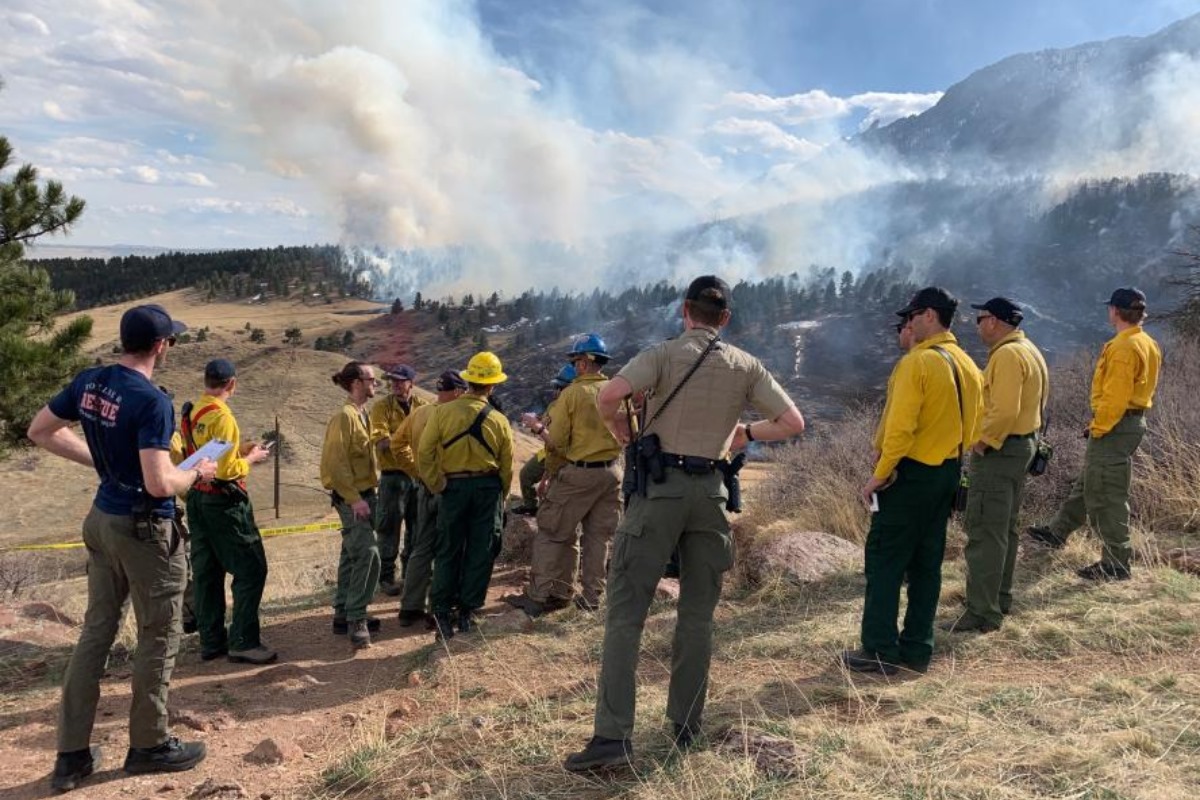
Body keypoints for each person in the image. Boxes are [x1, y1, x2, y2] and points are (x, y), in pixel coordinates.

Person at [564, 276, 805, 771]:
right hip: (712, 495)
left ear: (685, 311)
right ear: (726, 319)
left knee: (626, 614)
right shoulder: (746, 365)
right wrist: (744, 434)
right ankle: (686, 727)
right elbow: (793, 423)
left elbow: (608, 397)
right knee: (697, 617)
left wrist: (623, 435)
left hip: (659, 491)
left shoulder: (662, 354)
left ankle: (612, 741)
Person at [27, 304, 217, 791]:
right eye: (169, 341)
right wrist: (196, 473)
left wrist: (105, 463)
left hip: (102, 518)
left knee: (96, 632)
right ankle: (149, 745)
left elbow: (40, 430)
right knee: (158, 633)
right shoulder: (152, 400)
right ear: (160, 346)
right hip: (144, 530)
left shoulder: (92, 381)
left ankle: (70, 755)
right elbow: (159, 483)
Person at [842, 287, 983, 676]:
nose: (908, 322)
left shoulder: (917, 364)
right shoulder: (969, 365)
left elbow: (900, 431)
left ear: (930, 316)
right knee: (927, 564)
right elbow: (974, 429)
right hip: (949, 473)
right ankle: (918, 649)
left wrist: (878, 476)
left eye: (913, 315)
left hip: (910, 475)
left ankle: (880, 649)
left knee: (885, 561)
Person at [1027, 287, 1161, 580]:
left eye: (1110, 308)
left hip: (1115, 425)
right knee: (1090, 482)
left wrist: (1099, 426)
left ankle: (1116, 562)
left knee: (1107, 494)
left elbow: (1115, 396)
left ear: (1115, 311)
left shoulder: (1124, 347)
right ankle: (1057, 532)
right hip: (1127, 423)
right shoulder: (1146, 342)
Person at [942, 298, 1047, 633]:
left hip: (1000, 452)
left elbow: (1003, 411)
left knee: (986, 529)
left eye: (981, 317)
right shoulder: (1028, 349)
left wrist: (981, 442)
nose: (977, 324)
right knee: (1005, 528)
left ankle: (982, 611)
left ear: (996, 321)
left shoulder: (1006, 354)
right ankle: (998, 598)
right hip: (1023, 446)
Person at [506, 335, 622, 616]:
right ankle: (592, 599)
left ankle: (541, 596)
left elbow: (556, 441)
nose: (574, 365)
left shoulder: (571, 395)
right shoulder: (617, 390)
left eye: (575, 360)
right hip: (612, 473)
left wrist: (536, 428)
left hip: (579, 474)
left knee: (552, 532)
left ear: (582, 363)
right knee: (598, 538)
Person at [181, 359, 275, 663]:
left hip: (197, 496)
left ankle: (212, 641)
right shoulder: (223, 418)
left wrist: (239, 448)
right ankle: (245, 641)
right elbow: (225, 470)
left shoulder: (196, 411)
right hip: (222, 500)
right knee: (251, 568)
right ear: (231, 384)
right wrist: (252, 458)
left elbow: (204, 452)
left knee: (208, 571)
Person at [417, 352, 514, 639]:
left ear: (468, 381)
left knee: (448, 550)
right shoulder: (499, 420)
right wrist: (502, 496)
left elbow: (425, 453)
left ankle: (442, 612)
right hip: (487, 490)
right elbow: (506, 467)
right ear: (493, 386)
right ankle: (468, 611)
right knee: (480, 551)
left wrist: (438, 485)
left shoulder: (442, 413)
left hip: (453, 489)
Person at [391, 370, 467, 626]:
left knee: (421, 548)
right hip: (450, 488)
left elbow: (396, 444)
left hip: (425, 487)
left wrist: (416, 472)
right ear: (457, 391)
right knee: (448, 549)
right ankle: (439, 608)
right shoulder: (458, 415)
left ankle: (410, 607)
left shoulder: (420, 413)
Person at [321, 362, 382, 649]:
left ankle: (343, 613)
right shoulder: (344, 417)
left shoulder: (362, 414)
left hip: (365, 493)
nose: (376, 384)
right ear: (357, 382)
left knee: (351, 554)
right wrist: (355, 499)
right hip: (352, 497)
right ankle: (357, 618)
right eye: (372, 379)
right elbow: (336, 463)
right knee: (368, 553)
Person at [369, 364, 426, 596]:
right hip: (393, 478)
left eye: (400, 381)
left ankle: (411, 575)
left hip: (418, 477)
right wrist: (409, 441)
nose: (395, 385)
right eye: (392, 381)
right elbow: (381, 442)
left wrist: (397, 441)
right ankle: (386, 578)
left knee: (417, 527)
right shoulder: (381, 407)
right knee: (388, 529)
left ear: (411, 383)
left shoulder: (424, 407)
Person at [511, 364, 575, 516]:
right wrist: (534, 424)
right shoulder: (554, 405)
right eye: (557, 387)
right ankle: (531, 505)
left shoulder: (575, 409)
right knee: (526, 474)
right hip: (548, 450)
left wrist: (546, 477)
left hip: (563, 454)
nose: (557, 391)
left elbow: (559, 442)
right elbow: (545, 426)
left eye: (561, 387)